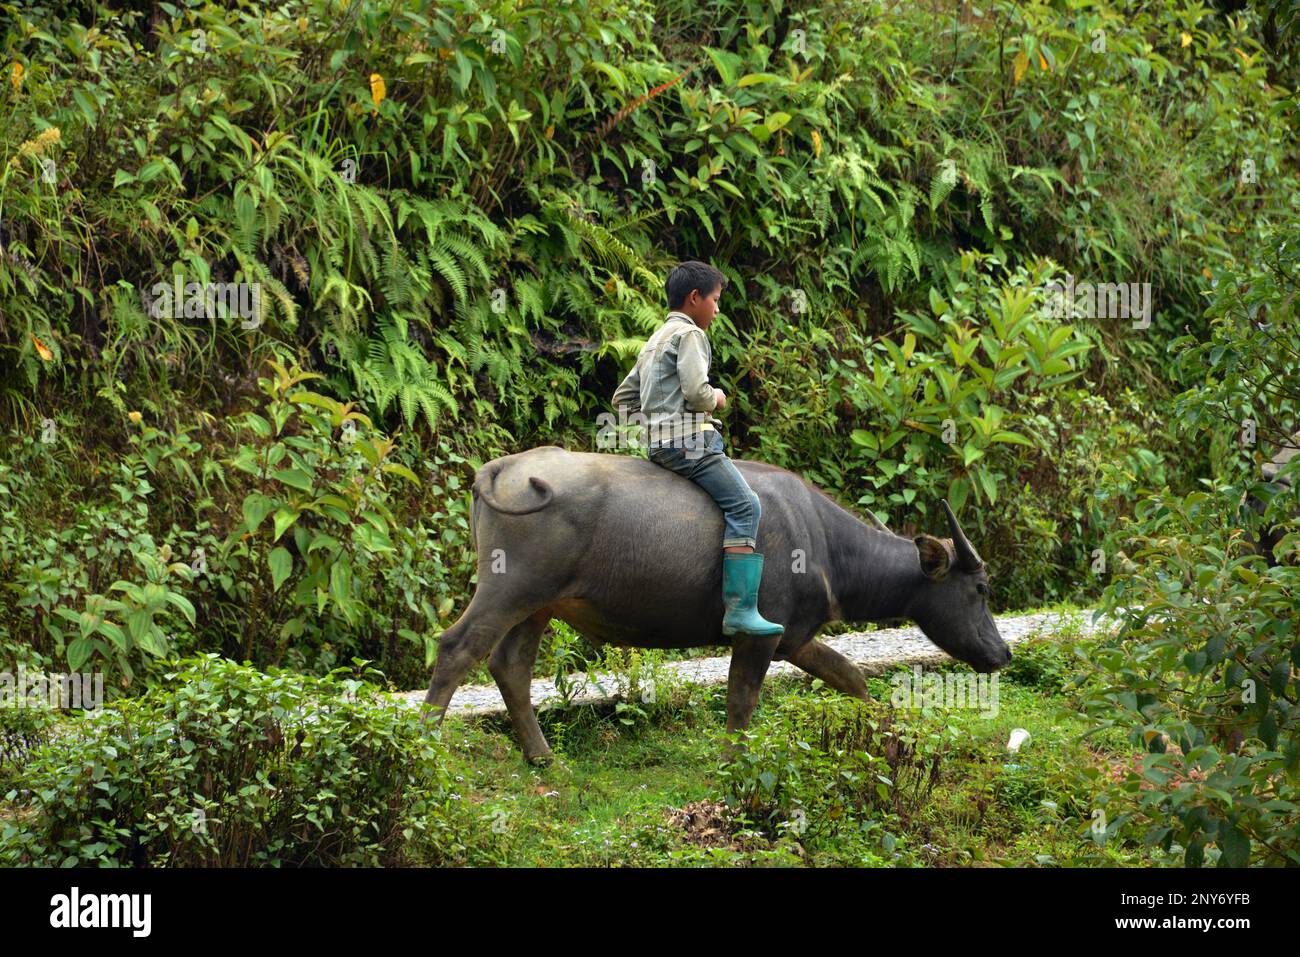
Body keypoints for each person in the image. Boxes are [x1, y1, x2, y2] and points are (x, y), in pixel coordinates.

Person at [610, 260, 784, 637]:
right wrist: (717, 398)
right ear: (694, 298)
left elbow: (622, 399)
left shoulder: (654, 340)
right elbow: (695, 392)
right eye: (716, 300)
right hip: (692, 444)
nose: (718, 309)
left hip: (660, 448)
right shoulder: (690, 337)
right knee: (746, 504)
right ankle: (741, 609)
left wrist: (655, 425)